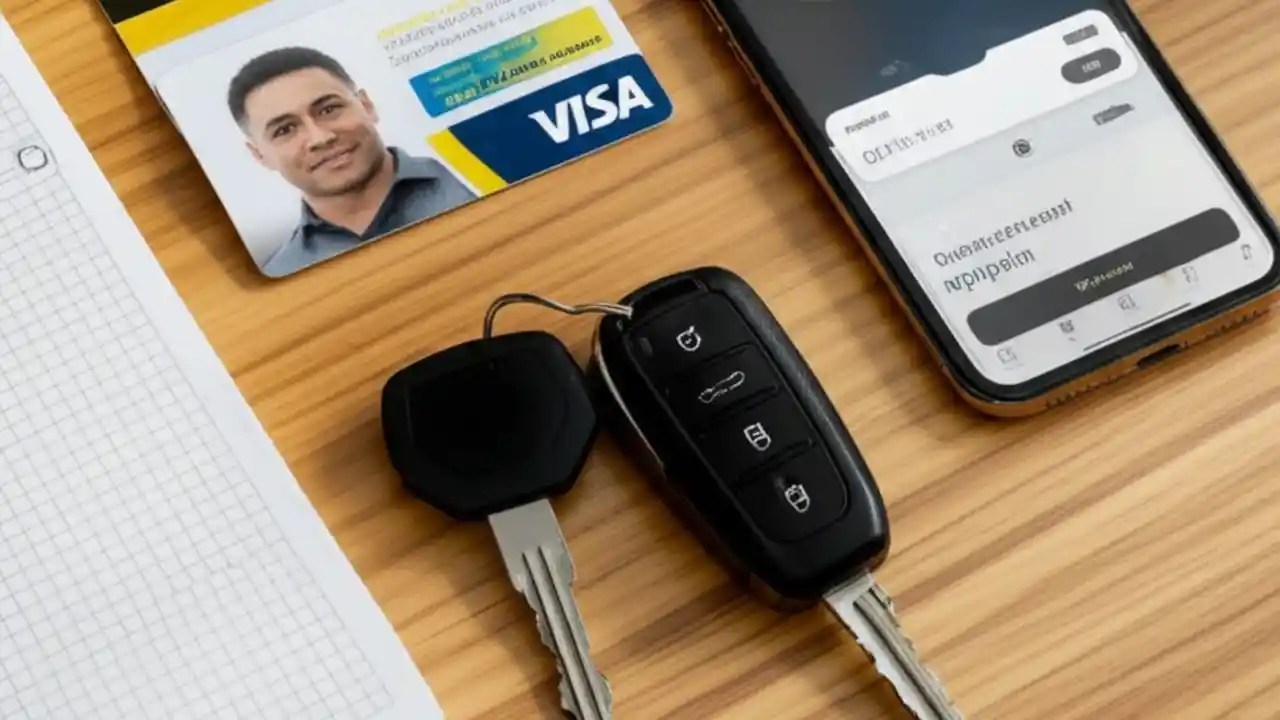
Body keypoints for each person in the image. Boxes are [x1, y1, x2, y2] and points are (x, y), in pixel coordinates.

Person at [227, 47, 477, 276]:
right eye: (285, 130)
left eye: (328, 110)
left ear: (366, 105)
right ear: (259, 155)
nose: (320, 138)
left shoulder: (478, 175)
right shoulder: (283, 276)